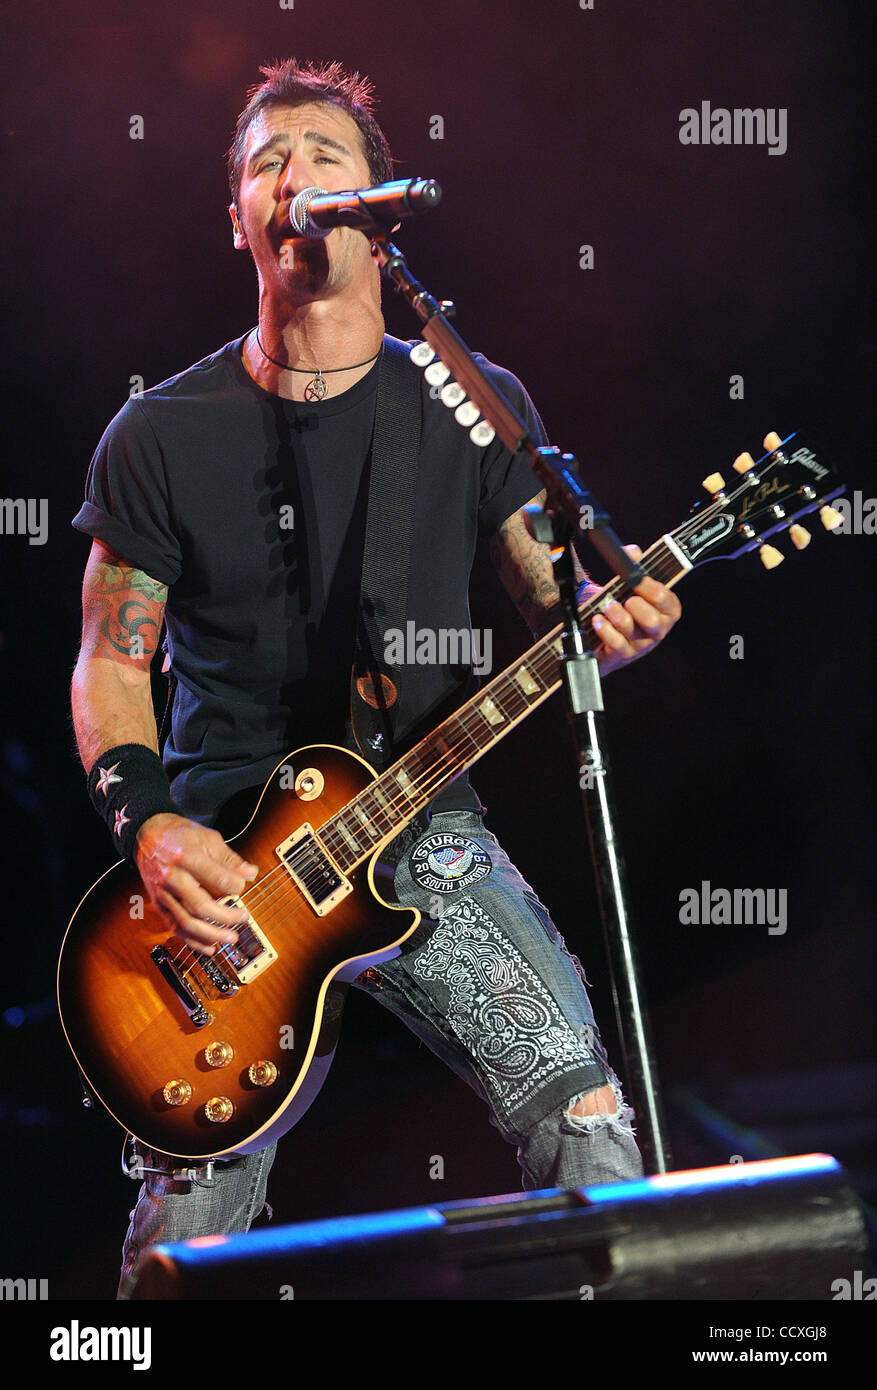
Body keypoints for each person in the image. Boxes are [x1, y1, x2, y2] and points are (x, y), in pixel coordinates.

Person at [70, 58, 684, 1299]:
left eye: (325, 156)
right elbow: (108, 658)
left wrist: (612, 620)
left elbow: (552, 592)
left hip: (420, 825)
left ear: (377, 205)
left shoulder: (467, 398)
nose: (295, 174)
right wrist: (149, 825)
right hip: (225, 862)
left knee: (587, 1123)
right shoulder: (160, 433)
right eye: (265, 163)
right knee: (192, 1224)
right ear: (238, 218)